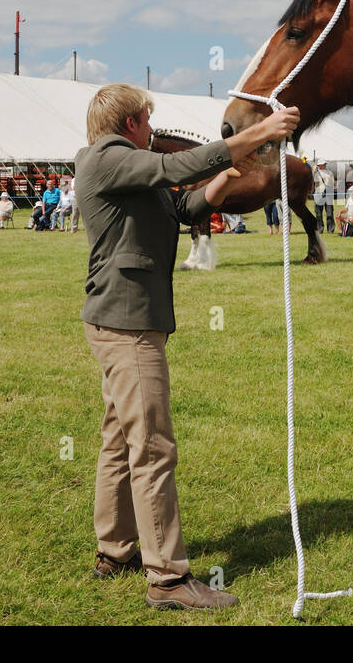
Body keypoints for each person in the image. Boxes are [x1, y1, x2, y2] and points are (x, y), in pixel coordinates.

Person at [75, 83, 297, 611]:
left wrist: (224, 176)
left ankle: (115, 550)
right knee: (151, 447)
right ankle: (168, 579)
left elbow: (179, 208)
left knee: (118, 440)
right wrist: (258, 133)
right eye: (147, 120)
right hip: (128, 326)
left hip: (122, 321)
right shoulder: (107, 158)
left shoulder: (125, 165)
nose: (153, 128)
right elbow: (175, 170)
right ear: (129, 123)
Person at [312, 159, 335, 234]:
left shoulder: (330, 172)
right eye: (322, 164)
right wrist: (313, 171)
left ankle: (330, 230)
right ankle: (319, 229)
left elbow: (332, 183)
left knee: (330, 213)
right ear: (319, 165)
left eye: (324, 164)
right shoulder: (315, 173)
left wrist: (330, 181)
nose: (324, 165)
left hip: (328, 194)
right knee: (318, 214)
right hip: (318, 194)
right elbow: (311, 180)